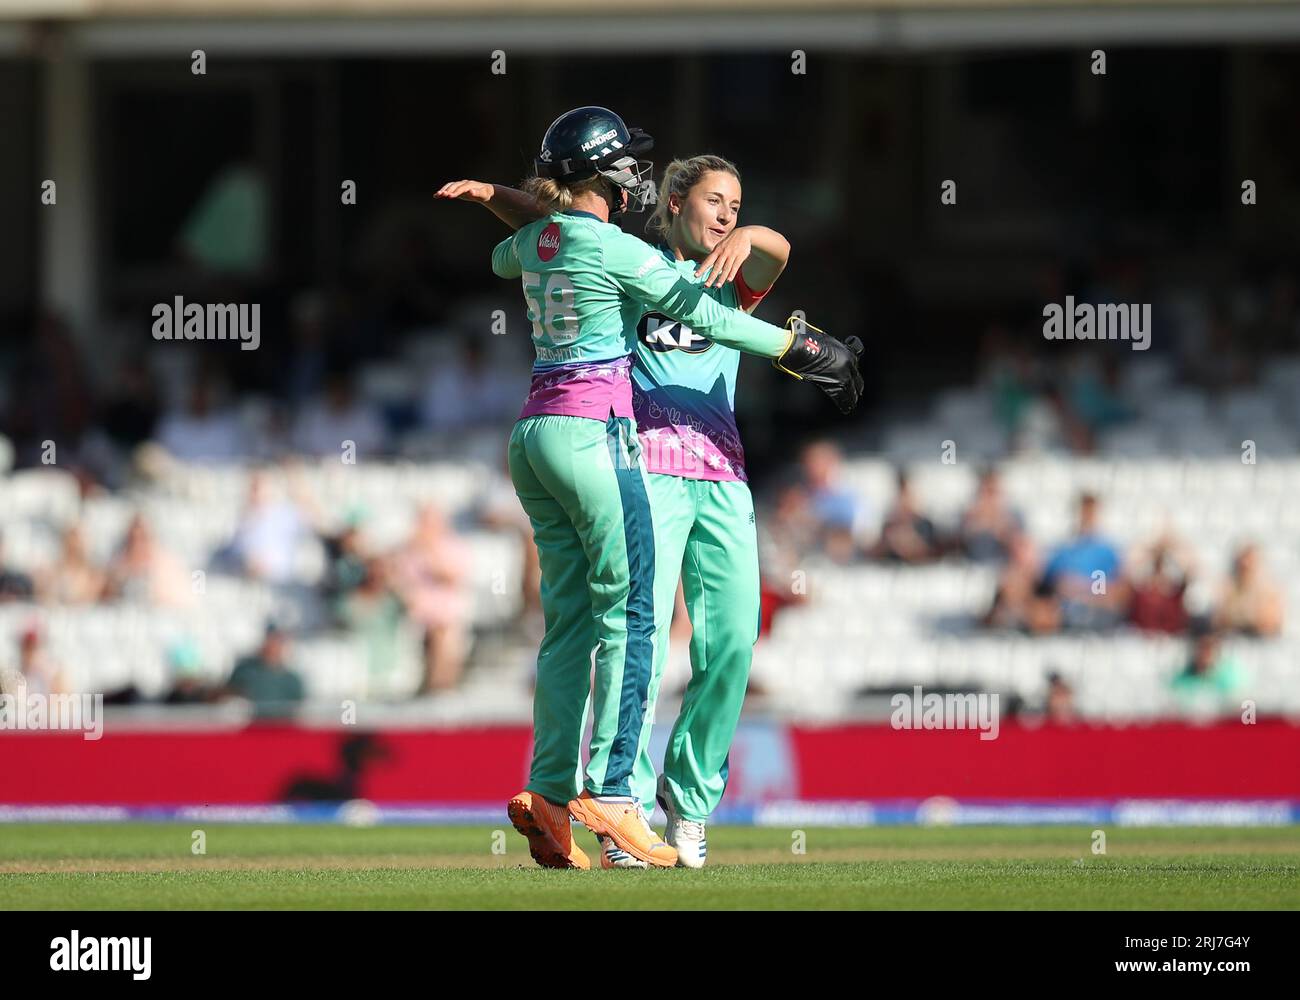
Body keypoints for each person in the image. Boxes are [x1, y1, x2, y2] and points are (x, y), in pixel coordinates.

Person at [437, 106, 863, 870]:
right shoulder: (636, 257)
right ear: (672, 203)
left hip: (684, 464)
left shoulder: (684, 262)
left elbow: (554, 227)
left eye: (737, 203)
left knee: (719, 641)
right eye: (714, 201)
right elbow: (593, 233)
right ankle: (618, 804)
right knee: (633, 630)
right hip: (629, 456)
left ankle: (646, 800)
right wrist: (801, 349)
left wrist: (748, 237)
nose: (728, 213)